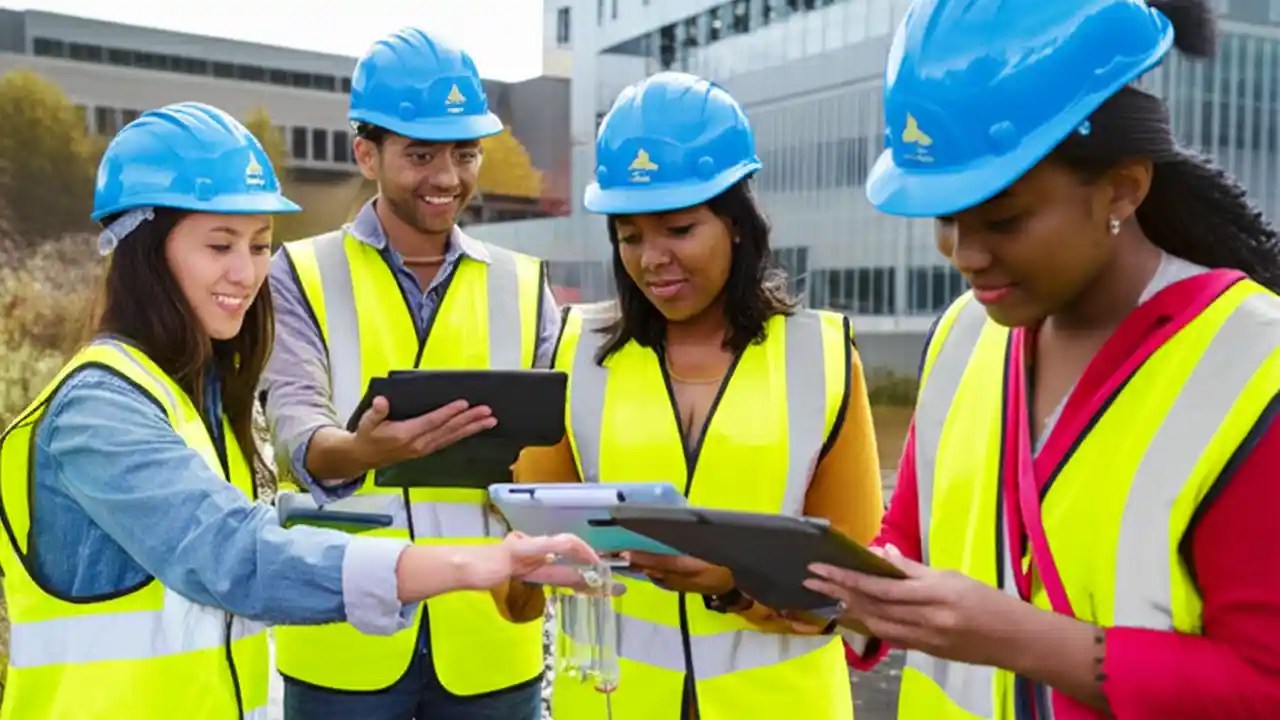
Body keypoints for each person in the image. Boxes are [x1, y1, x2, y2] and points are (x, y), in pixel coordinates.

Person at [0, 101, 600, 720]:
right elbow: (235, 556)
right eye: (219, 244)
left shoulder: (195, 400)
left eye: (260, 245)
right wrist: (481, 562)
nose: (246, 272)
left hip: (484, 658)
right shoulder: (98, 413)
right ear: (145, 250)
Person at [800, 1, 1280, 718]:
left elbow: (1264, 683)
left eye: (1004, 220)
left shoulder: (1252, 364)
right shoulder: (964, 335)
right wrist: (754, 576)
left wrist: (1019, 637)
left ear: (1123, 186)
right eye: (945, 218)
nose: (965, 255)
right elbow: (908, 544)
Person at [513, 71, 886, 720]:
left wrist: (735, 584)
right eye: (630, 236)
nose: (652, 257)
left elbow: (860, 592)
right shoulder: (572, 350)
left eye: (679, 230)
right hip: (610, 706)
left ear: (737, 224)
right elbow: (522, 575)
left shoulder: (821, 357)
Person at [259, 27, 562, 720]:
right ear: (367, 153)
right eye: (420, 154)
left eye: (465, 153)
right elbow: (294, 429)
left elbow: (558, 450)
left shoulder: (524, 284)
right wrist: (363, 451)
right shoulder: (299, 274)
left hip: (490, 636)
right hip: (342, 636)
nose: (448, 178)